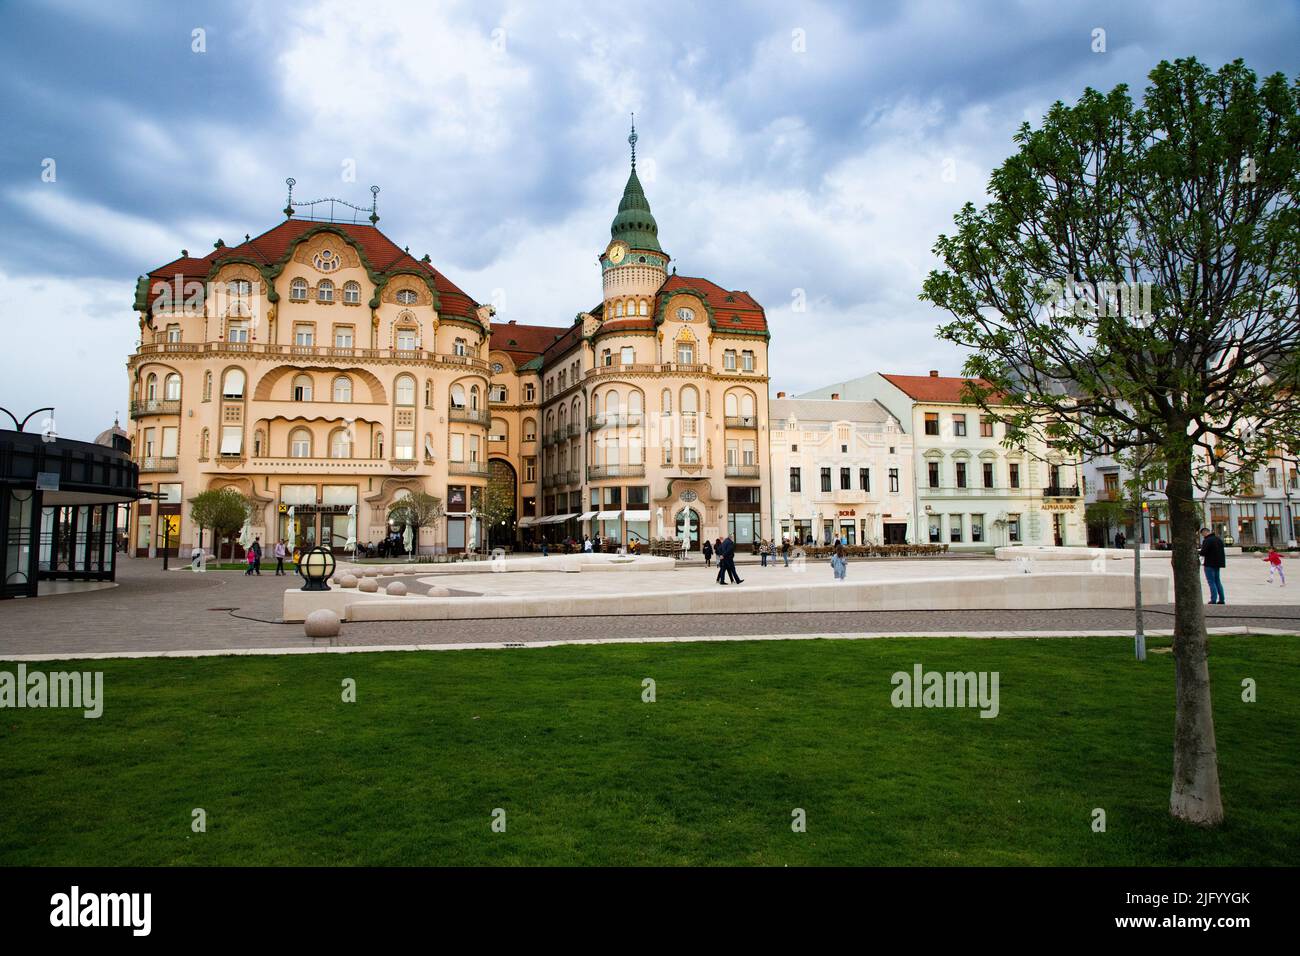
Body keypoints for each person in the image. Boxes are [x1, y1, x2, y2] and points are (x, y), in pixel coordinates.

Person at [1199, 527, 1226, 605]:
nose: (1203, 536)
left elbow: (1203, 552)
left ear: (1204, 532)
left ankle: (1213, 599)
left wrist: (1199, 552)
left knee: (1211, 582)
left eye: (1202, 534)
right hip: (1218, 564)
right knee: (1217, 581)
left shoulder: (1207, 540)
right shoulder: (1218, 539)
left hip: (1209, 564)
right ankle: (1222, 599)